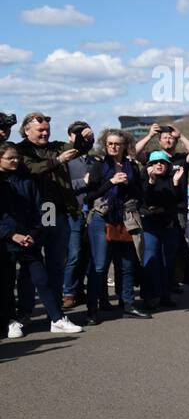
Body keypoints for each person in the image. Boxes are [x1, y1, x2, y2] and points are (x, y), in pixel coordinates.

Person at [1, 143, 83, 336]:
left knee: (41, 277)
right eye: (10, 158)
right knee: (6, 282)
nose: (16, 161)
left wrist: (35, 233)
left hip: (28, 238)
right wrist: (11, 235)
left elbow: (42, 209)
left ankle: (56, 318)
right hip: (5, 241)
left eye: (17, 158)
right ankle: (12, 320)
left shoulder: (27, 181)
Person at [13, 113, 80, 327]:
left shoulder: (55, 146)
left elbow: (77, 148)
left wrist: (84, 136)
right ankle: (24, 312)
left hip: (53, 209)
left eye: (47, 131)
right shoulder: (19, 151)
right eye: (40, 130)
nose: (45, 134)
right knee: (31, 265)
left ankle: (56, 313)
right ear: (26, 130)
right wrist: (58, 160)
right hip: (34, 212)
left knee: (55, 263)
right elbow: (33, 168)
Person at [84, 129, 150, 323]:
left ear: (124, 146)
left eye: (117, 144)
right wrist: (111, 182)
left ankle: (128, 304)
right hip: (101, 218)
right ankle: (91, 310)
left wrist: (129, 185)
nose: (114, 147)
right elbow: (89, 197)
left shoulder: (132, 167)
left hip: (125, 218)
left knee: (127, 264)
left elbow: (139, 194)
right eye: (110, 143)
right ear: (105, 145)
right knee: (99, 265)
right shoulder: (98, 166)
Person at [138, 151, 182, 310]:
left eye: (162, 162)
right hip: (150, 224)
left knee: (167, 262)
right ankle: (150, 297)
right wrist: (151, 181)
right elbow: (145, 199)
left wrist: (176, 184)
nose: (159, 165)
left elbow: (178, 202)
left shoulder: (173, 179)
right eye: (155, 162)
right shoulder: (144, 178)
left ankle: (165, 295)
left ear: (168, 165)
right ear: (149, 165)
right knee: (151, 260)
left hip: (168, 225)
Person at [63, 120, 96, 309]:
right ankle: (68, 292)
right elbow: (60, 187)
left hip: (91, 213)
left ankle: (80, 290)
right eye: (78, 135)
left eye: (86, 135)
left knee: (88, 255)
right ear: (70, 137)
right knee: (73, 254)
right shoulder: (65, 159)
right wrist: (82, 182)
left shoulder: (93, 161)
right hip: (72, 213)